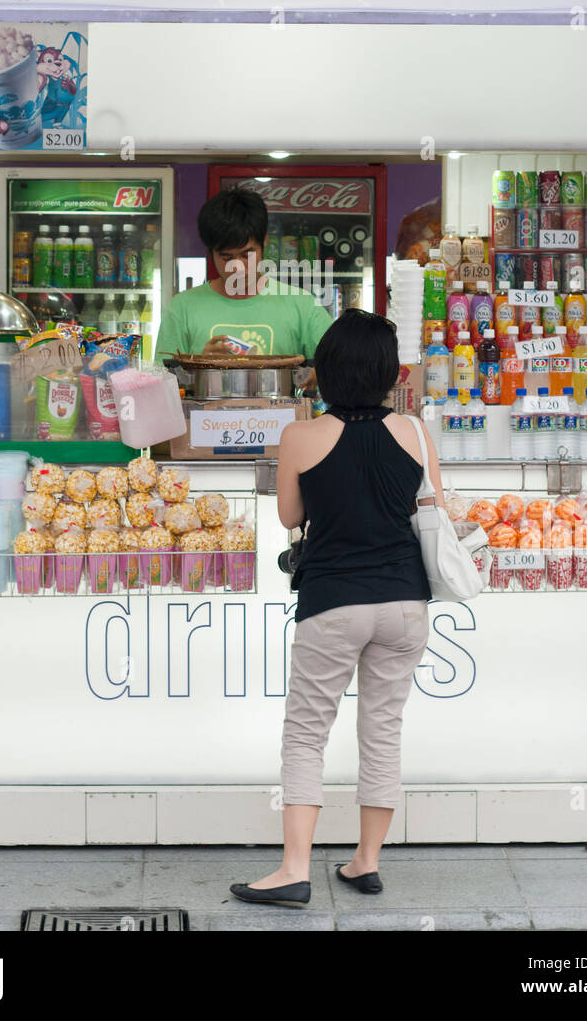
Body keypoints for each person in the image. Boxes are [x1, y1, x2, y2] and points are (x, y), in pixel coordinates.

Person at [229, 308, 444, 908]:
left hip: (332, 603)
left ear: (324, 371)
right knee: (382, 730)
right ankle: (364, 863)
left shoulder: (299, 436)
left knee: (306, 733)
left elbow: (291, 516)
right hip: (405, 601)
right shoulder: (416, 432)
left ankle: (295, 868)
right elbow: (435, 507)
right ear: (388, 375)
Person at [154, 187, 333, 362]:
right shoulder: (182, 309)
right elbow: (162, 383)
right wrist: (198, 366)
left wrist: (316, 373)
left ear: (264, 240)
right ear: (210, 252)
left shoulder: (302, 306)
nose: (237, 267)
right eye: (226, 257)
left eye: (247, 255)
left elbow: (342, 368)